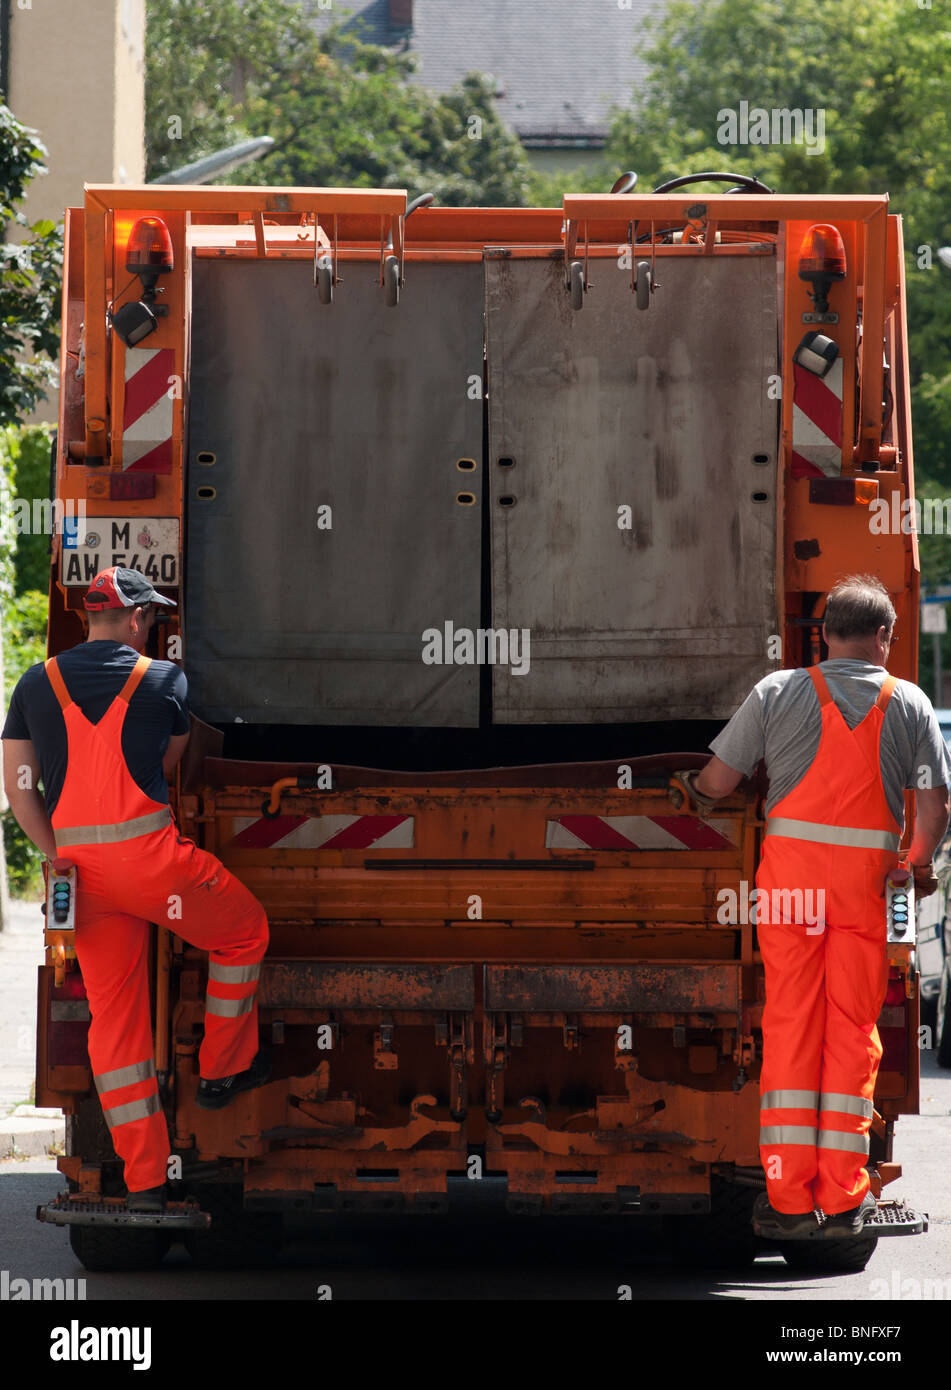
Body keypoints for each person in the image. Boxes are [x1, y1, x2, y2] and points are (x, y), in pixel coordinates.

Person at [675, 573, 949, 1239]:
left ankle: (788, 1201)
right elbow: (934, 811)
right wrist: (913, 869)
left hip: (790, 892)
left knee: (791, 1023)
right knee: (852, 1032)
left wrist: (689, 789)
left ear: (821, 635)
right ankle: (843, 1196)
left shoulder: (777, 691)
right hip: (863, 894)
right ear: (883, 637)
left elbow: (717, 781)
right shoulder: (907, 703)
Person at [2, 566, 270, 1212]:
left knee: (116, 1029)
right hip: (155, 870)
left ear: (89, 617)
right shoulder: (163, 679)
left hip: (82, 882)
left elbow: (17, 785)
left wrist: (57, 854)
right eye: (150, 617)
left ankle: (146, 1182)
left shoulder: (37, 684)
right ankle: (219, 1068)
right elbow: (168, 764)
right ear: (137, 619)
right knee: (243, 932)